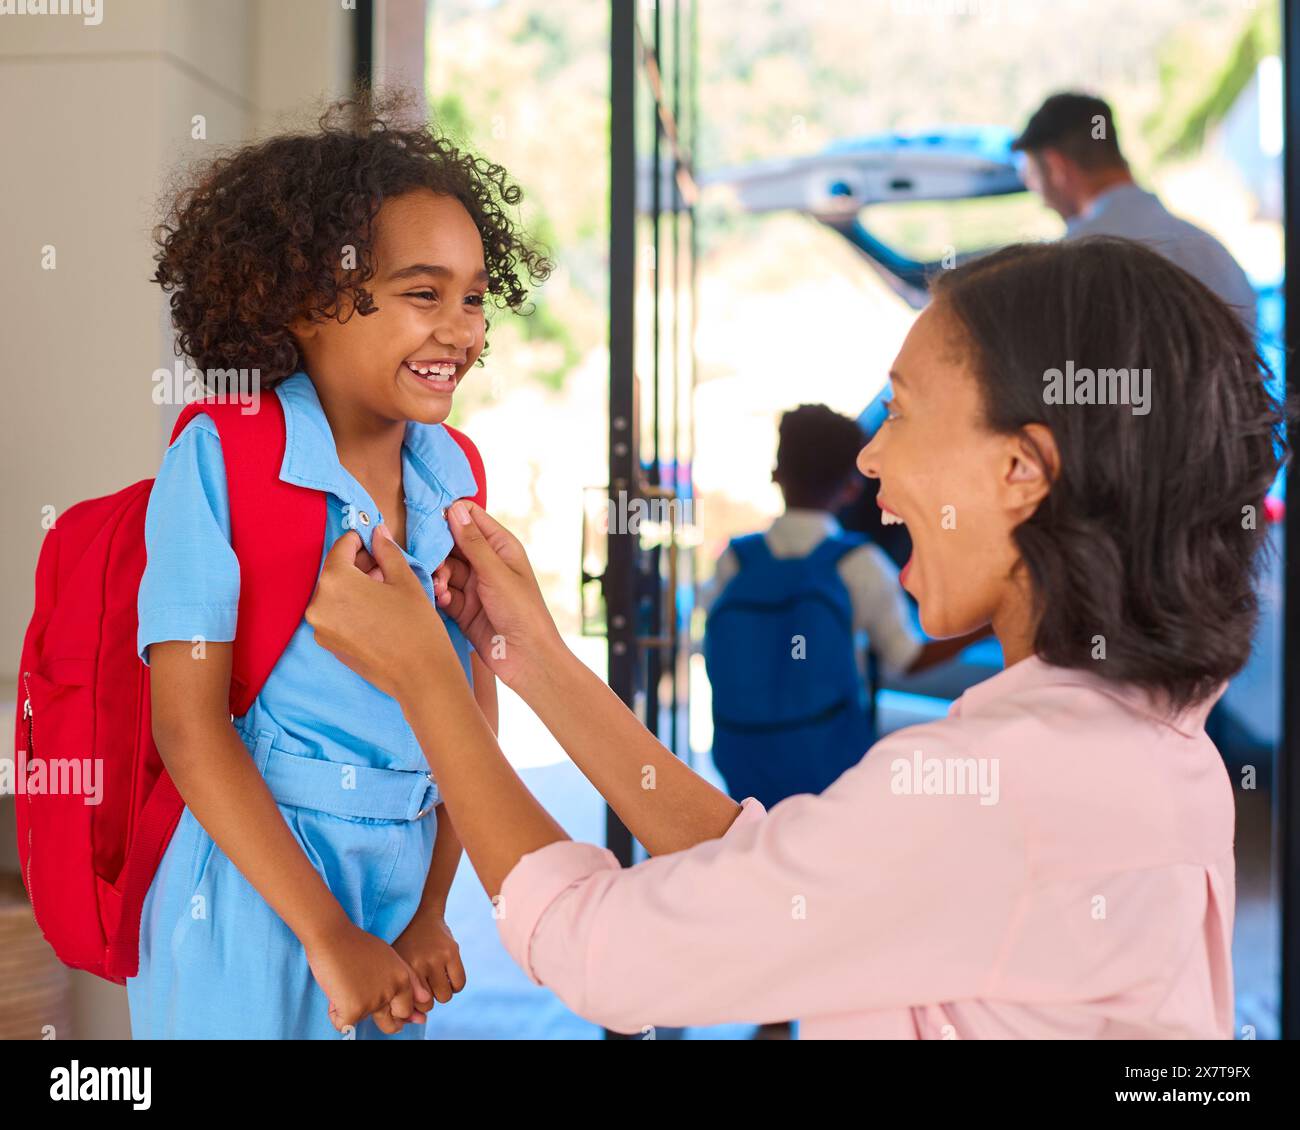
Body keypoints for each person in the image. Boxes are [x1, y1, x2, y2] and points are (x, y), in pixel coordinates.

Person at [304, 237, 1281, 1039]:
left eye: (898, 409)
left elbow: (606, 952)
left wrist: (431, 679)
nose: (870, 453)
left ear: (1021, 468)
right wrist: (532, 658)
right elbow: (783, 868)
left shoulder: (999, 788)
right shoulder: (1143, 739)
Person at [127, 92, 549, 1038]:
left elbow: (465, 709)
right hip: (250, 893)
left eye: (476, 295)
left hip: (398, 897)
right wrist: (322, 929)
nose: (463, 328)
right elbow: (191, 733)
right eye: (424, 293)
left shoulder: (454, 474)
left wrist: (435, 904)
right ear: (310, 301)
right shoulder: (221, 457)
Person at [704, 403, 979, 811]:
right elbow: (905, 659)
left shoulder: (736, 559)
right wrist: (987, 627)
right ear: (852, 487)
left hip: (741, 761)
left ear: (776, 475)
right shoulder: (859, 564)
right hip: (829, 767)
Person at [1014, 91, 1257, 334]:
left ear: (1057, 166)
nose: (1040, 198)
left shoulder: (1068, 269)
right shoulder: (1212, 251)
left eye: (1031, 175)